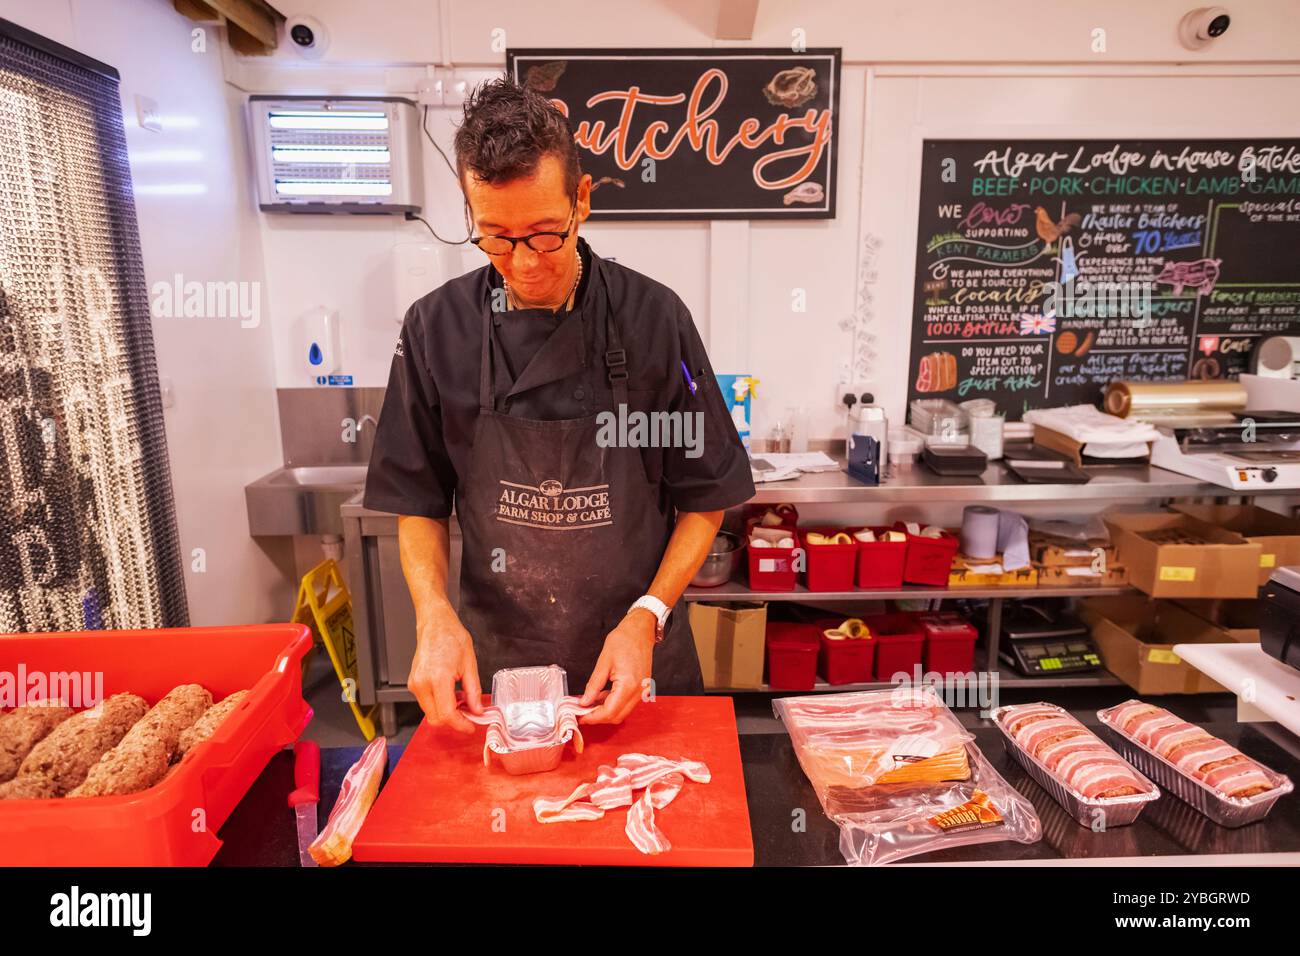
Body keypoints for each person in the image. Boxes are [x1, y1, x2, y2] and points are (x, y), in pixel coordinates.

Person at [364, 76, 753, 732]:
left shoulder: (653, 319)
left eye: (546, 234)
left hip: (639, 658)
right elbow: (416, 502)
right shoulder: (437, 329)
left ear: (583, 200)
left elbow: (706, 495)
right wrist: (432, 615)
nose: (523, 265)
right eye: (495, 237)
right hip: (498, 676)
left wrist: (647, 618)